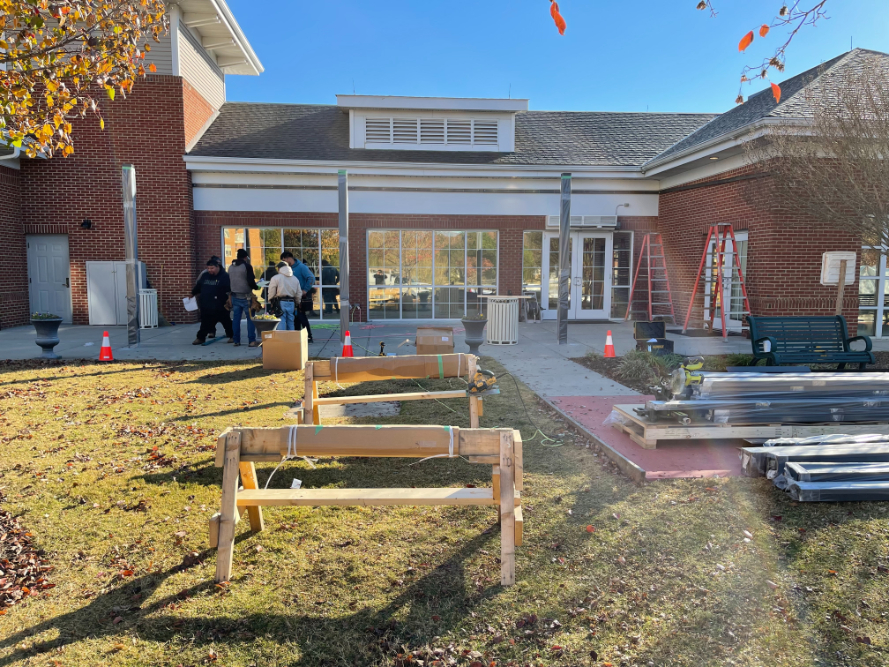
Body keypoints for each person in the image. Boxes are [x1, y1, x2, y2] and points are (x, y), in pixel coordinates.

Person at [191, 259, 233, 345]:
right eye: (208, 268)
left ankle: (232, 336)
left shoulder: (225, 276)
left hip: (220, 304)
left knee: (226, 322)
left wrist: (229, 299)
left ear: (217, 267)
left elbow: (229, 290)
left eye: (212, 268)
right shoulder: (205, 276)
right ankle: (200, 338)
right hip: (207, 304)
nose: (210, 270)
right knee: (205, 323)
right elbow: (199, 286)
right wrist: (192, 293)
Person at [280, 251, 316, 343]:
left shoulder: (301, 267)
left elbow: (311, 277)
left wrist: (305, 290)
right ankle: (298, 336)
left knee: (301, 316)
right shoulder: (288, 269)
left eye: (284, 260)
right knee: (295, 318)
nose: (284, 263)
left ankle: (308, 336)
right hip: (292, 296)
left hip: (300, 296)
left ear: (288, 258)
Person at [228, 249, 259, 347]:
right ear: (245, 257)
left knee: (236, 319)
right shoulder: (246, 266)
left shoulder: (230, 267)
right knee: (250, 319)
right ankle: (251, 341)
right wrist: (256, 287)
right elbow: (250, 281)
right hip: (247, 297)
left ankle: (236, 340)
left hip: (235, 296)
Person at [267, 262, 303, 330]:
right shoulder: (295, 279)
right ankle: (291, 338)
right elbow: (299, 293)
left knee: (281, 321)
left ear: (279, 268)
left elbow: (271, 291)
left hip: (280, 302)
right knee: (291, 321)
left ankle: (282, 339)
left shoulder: (276, 278)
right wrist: (297, 302)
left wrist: (271, 300)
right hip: (292, 302)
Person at [193, 256, 222, 338]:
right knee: (207, 317)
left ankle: (228, 332)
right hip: (206, 299)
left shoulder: (221, 274)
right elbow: (198, 284)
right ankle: (211, 331)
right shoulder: (205, 274)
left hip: (217, 299)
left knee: (218, 316)